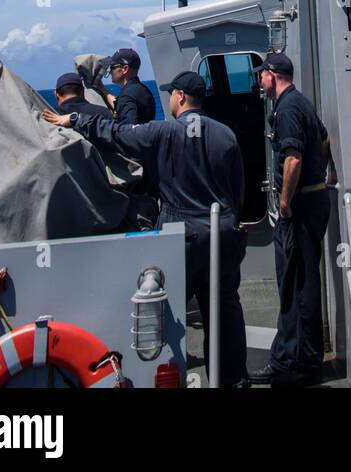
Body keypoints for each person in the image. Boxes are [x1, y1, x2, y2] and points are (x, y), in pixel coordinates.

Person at [44, 70, 248, 388]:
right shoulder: (227, 135)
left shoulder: (162, 132)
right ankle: (233, 381)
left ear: (180, 96)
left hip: (183, 237)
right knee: (225, 310)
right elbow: (238, 192)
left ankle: (170, 376)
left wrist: (75, 120)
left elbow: (117, 133)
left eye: (171, 94)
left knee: (168, 312)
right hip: (222, 233)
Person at [249, 53, 332, 388]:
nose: (259, 81)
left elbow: (293, 157)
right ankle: (305, 358)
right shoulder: (301, 103)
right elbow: (323, 139)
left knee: (295, 284)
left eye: (261, 75)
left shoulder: (285, 110)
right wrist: (320, 175)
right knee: (305, 281)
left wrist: (285, 202)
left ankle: (291, 362)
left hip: (300, 206)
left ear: (272, 75)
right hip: (315, 197)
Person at [102, 48, 156, 125]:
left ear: (125, 69)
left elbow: (128, 131)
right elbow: (120, 105)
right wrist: (102, 89)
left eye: (112, 67)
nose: (110, 71)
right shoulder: (144, 90)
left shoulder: (127, 95)